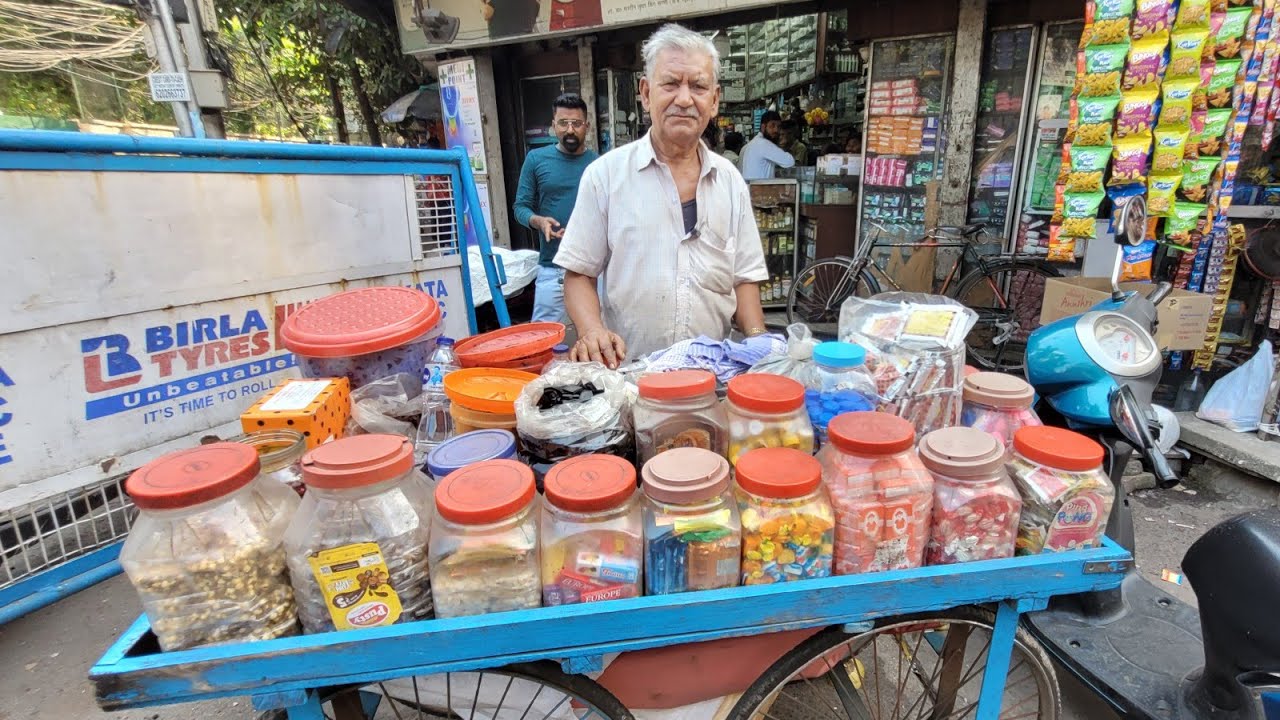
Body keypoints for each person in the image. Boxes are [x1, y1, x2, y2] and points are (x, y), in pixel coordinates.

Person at [554, 23, 769, 367]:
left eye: (698, 86)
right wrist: (592, 330)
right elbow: (579, 272)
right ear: (646, 92)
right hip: (629, 376)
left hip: (710, 377)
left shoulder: (729, 181)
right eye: (670, 83)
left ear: (713, 101)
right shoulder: (605, 176)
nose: (684, 99)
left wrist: (759, 341)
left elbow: (744, 278)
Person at [513, 93, 600, 323]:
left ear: (587, 126)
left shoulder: (600, 165)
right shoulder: (536, 159)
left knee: (597, 340)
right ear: (554, 125)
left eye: (576, 123)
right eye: (563, 123)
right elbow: (520, 207)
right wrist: (539, 221)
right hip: (553, 269)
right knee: (545, 342)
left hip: (593, 272)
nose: (570, 130)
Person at [739, 110, 795, 180]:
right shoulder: (763, 144)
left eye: (778, 126)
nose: (776, 130)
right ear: (763, 127)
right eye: (772, 126)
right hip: (759, 189)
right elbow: (789, 161)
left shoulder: (755, 142)